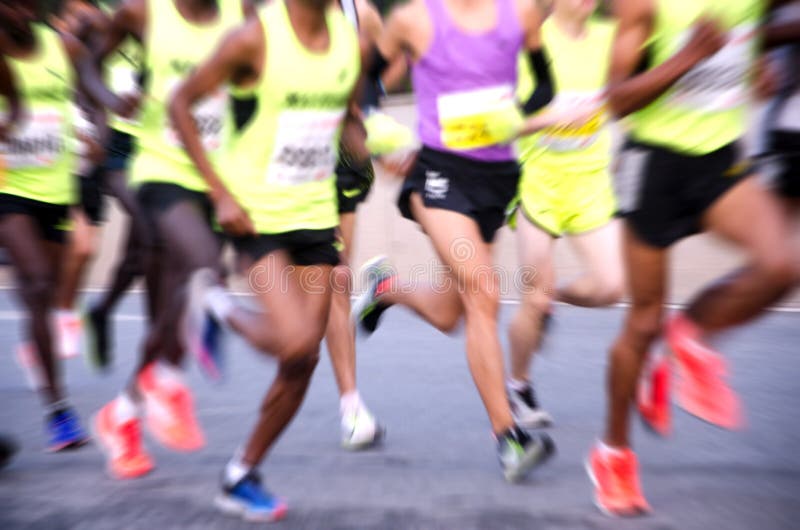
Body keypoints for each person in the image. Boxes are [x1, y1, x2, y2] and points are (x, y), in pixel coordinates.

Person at [588, 0, 799, 516]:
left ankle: (689, 338)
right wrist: (686, 57)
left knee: (783, 263)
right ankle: (612, 452)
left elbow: (765, 29)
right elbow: (614, 101)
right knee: (641, 321)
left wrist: (752, 57)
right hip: (653, 166)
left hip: (720, 160)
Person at [351, 0, 563, 482]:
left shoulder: (522, 14)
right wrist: (382, 136)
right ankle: (509, 438)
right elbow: (364, 87)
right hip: (439, 179)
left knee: (453, 314)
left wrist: (518, 117)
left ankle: (387, 289)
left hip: (496, 180)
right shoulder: (414, 20)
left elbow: (545, 86)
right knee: (483, 291)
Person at [172, 0, 366, 519]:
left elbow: (346, 119)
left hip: (315, 215)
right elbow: (180, 103)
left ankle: (241, 473)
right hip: (255, 217)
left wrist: (371, 153)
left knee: (302, 360)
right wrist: (219, 195)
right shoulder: (255, 37)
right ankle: (214, 306)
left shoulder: (350, 41)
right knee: (298, 339)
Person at [84, 0, 249, 480]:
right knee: (204, 269)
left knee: (178, 305)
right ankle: (172, 385)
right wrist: (110, 102)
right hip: (161, 170)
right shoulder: (141, 14)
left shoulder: (240, 17)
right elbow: (91, 65)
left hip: (219, 175)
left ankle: (122, 416)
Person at [506, 0, 622, 428]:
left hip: (591, 181)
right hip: (538, 181)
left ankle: (555, 300)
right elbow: (503, 122)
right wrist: (552, 118)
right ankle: (518, 386)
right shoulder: (532, 44)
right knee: (532, 300)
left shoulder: (612, 39)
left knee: (611, 286)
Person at [0, 0, 110, 451]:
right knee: (41, 283)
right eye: (12, 3)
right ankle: (58, 410)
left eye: (30, 3)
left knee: (39, 299)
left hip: (55, 188)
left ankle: (55, 404)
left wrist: (99, 134)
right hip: (8, 185)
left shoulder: (64, 48)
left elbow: (94, 95)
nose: (23, 11)